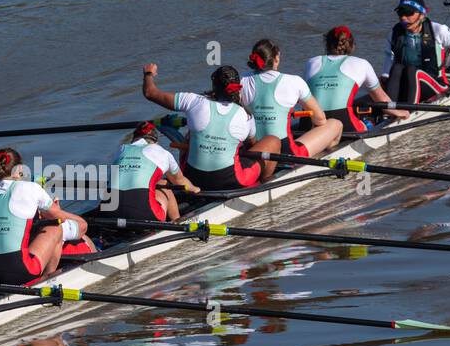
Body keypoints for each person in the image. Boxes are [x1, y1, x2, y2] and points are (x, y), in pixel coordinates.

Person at [141, 62, 297, 189]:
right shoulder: (245, 115)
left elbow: (150, 93)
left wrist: (148, 73)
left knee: (190, 135)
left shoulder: (192, 100)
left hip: (191, 177)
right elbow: (252, 148)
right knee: (273, 141)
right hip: (231, 181)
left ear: (214, 86)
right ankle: (264, 183)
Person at [0, 148, 94, 284]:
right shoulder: (32, 188)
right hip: (18, 272)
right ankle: (47, 279)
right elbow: (63, 220)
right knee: (56, 228)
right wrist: (58, 211)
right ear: (20, 169)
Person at [239, 38, 344, 161]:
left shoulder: (241, 81)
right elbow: (320, 119)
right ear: (276, 59)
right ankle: (321, 157)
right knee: (335, 124)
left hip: (252, 150)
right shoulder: (294, 81)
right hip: (287, 153)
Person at [303, 26, 410, 133]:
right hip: (343, 121)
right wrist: (399, 112)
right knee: (367, 124)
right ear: (351, 45)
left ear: (327, 44)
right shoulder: (362, 63)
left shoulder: (310, 62)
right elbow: (381, 100)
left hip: (310, 121)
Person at [112, 121, 199, 221]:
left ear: (133, 139)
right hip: (143, 214)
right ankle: (177, 221)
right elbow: (179, 181)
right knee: (164, 184)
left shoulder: (121, 150)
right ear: (156, 141)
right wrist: (194, 189)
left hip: (110, 211)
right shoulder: (162, 152)